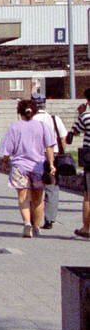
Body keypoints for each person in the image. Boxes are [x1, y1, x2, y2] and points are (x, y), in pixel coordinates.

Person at [0, 99, 58, 238]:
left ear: (19, 112)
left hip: (19, 166)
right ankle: (36, 227)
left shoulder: (14, 127)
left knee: (23, 197)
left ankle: (26, 223)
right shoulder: (42, 126)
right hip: (38, 166)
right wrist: (51, 163)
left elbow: (7, 149)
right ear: (34, 111)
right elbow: (49, 146)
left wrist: (5, 162)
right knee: (38, 198)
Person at [31, 93, 70, 230]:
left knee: (35, 187)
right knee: (52, 187)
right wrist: (59, 152)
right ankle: (50, 218)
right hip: (52, 155)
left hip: (35, 157)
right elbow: (63, 137)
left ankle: (34, 217)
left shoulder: (30, 119)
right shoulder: (54, 119)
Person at [69, 89, 90, 239]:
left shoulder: (86, 117)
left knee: (88, 195)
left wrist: (81, 114)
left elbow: (74, 132)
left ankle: (86, 228)